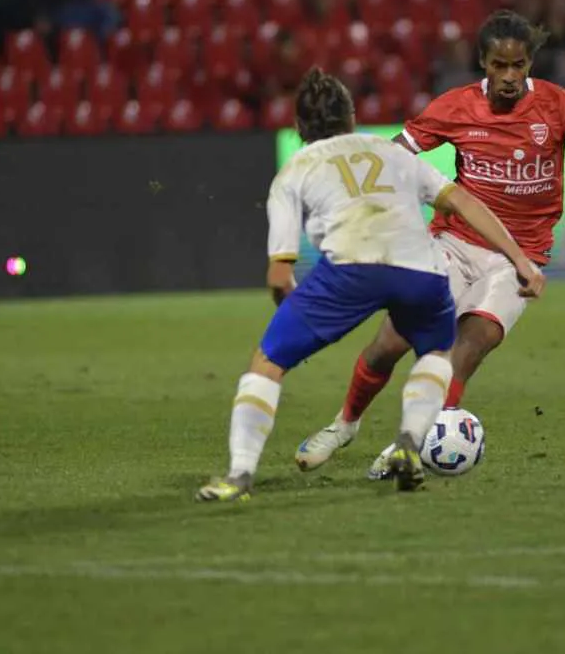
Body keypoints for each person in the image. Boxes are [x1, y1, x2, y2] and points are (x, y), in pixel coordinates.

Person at [294, 11, 565, 479]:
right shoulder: (454, 107)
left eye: (519, 65)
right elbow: (394, 154)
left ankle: (410, 444)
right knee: (392, 341)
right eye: (500, 66)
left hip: (516, 259)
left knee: (472, 343)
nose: (510, 76)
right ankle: (344, 424)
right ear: (483, 63)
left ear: (530, 63)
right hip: (453, 241)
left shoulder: (558, 106)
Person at [195, 68, 545, 501]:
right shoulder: (392, 153)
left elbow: (280, 273)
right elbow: (462, 201)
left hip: (352, 269)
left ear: (300, 127)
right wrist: (519, 259)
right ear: (353, 118)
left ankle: (240, 475)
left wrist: (291, 310)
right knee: (437, 352)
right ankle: (409, 445)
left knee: (267, 363)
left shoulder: (294, 170)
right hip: (423, 269)